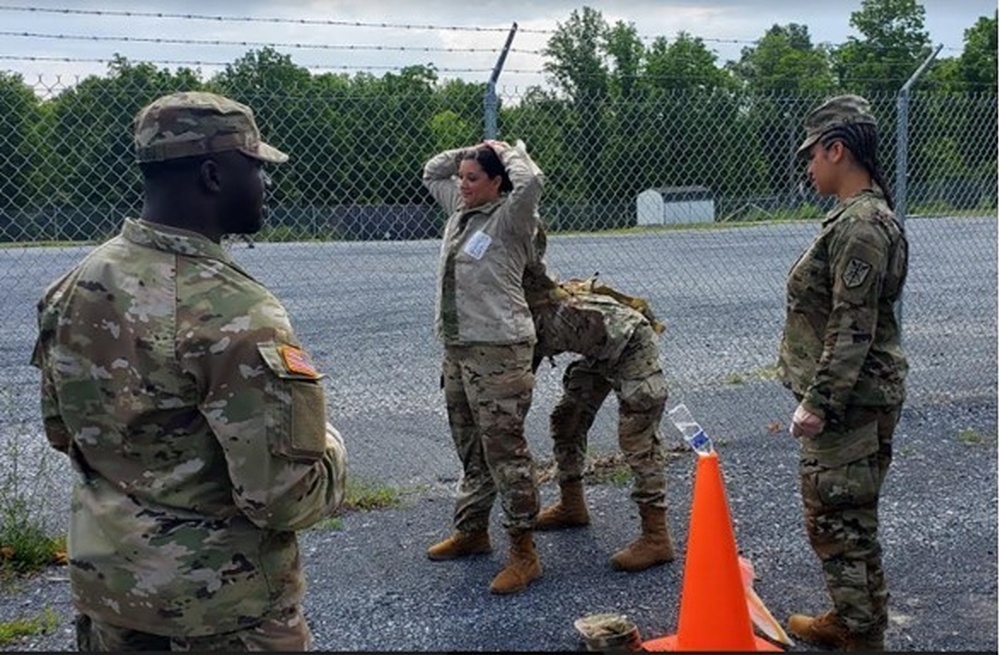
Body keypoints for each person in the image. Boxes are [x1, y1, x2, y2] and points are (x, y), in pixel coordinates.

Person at [30, 91, 347, 651]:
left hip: (113, 597)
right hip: (221, 612)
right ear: (212, 175)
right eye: (255, 167)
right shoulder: (235, 312)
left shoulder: (75, 286)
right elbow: (284, 497)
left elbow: (63, 432)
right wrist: (333, 446)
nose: (266, 183)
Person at [779, 94, 908, 651]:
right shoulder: (859, 217)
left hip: (850, 403)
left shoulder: (861, 226)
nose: (809, 166)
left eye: (812, 154)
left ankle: (861, 636)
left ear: (837, 150)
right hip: (856, 397)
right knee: (848, 519)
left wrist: (819, 403)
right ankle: (854, 619)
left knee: (838, 524)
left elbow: (852, 326)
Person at [422, 139, 545, 595]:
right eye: (462, 178)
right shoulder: (461, 208)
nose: (462, 184)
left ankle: (523, 552)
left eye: (473, 178)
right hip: (459, 350)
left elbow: (531, 181)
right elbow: (431, 171)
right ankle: (472, 530)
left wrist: (503, 149)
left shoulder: (512, 217)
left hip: (500, 352)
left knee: (504, 451)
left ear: (497, 182)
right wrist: (468, 152)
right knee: (470, 447)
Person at [523, 243, 674, 573]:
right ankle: (572, 506)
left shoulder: (532, 315)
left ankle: (656, 538)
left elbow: (520, 377)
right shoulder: (524, 312)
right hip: (601, 351)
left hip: (633, 346)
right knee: (567, 419)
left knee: (638, 441)